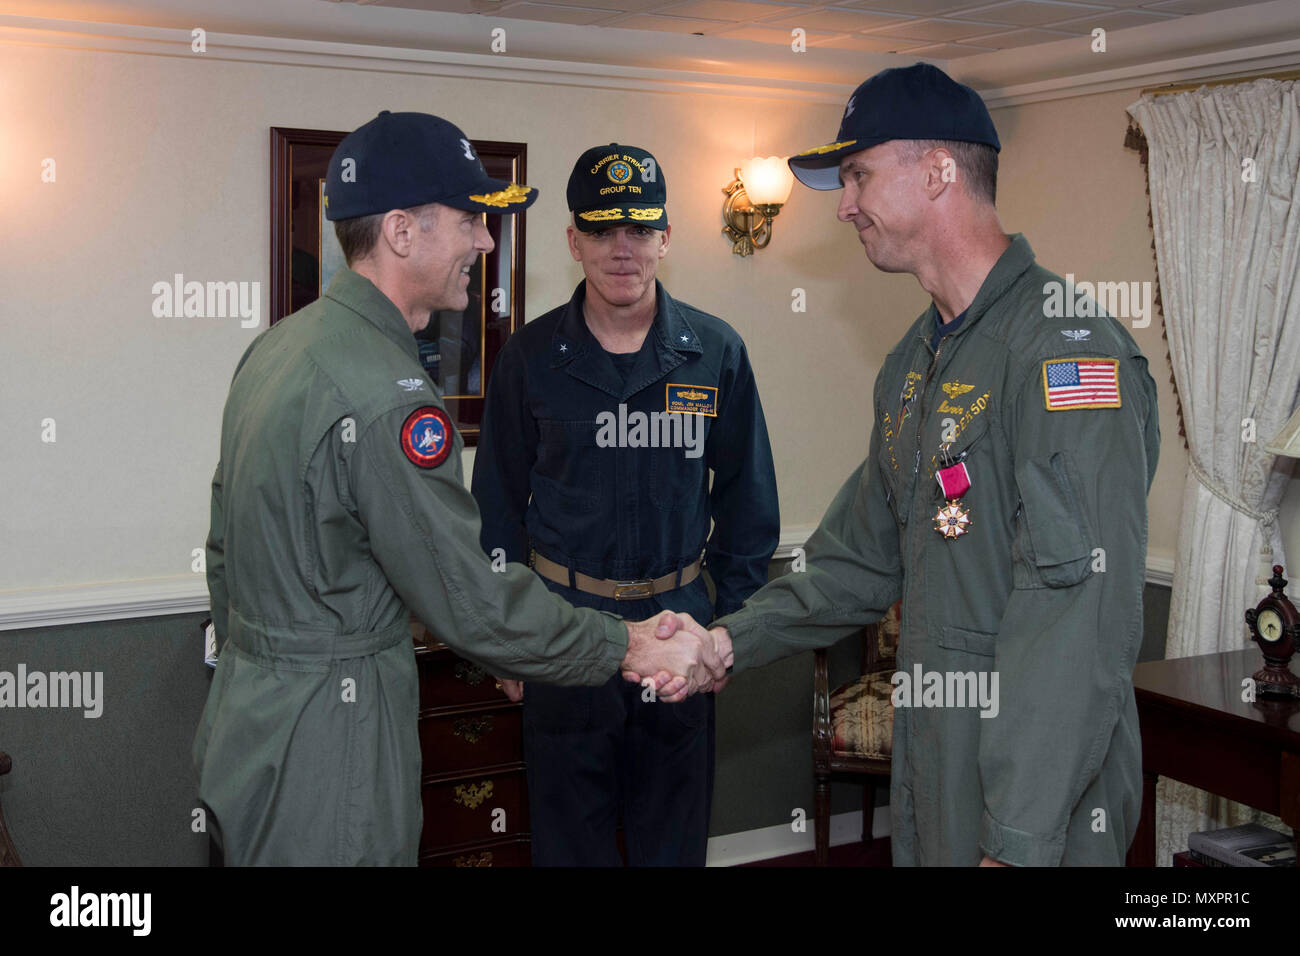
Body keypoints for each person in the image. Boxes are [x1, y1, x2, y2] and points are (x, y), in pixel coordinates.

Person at [640, 63, 1161, 866]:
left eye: (858, 174)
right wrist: (727, 641)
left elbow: (1075, 625)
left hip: (1040, 789)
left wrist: (1018, 843)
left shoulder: (1065, 352)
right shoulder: (914, 363)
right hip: (933, 756)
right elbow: (855, 560)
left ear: (940, 171)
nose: (844, 204)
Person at [192, 112, 727, 867]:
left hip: (249, 725)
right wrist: (629, 642)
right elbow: (469, 596)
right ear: (403, 232)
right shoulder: (388, 393)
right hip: (331, 737)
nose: (485, 242)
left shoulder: (279, 348)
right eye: (470, 220)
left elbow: (222, 552)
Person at [471, 143, 779, 866]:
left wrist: (729, 630)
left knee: (671, 845)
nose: (622, 249)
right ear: (573, 240)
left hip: (679, 637)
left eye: (639, 229)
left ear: (666, 238)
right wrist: (504, 636)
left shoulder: (714, 351)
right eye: (603, 230)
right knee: (568, 848)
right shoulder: (529, 357)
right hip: (563, 640)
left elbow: (747, 505)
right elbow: (496, 509)